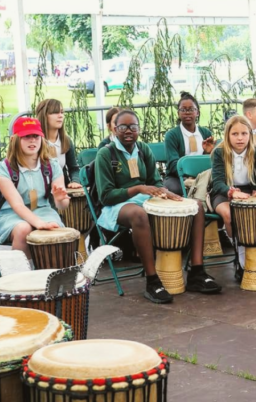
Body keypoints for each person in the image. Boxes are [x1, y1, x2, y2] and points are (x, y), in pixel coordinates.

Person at [95, 109, 222, 304]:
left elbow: (155, 181)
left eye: (133, 126)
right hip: (118, 205)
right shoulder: (106, 154)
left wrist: (165, 192)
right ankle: (152, 280)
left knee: (195, 205)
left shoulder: (143, 149)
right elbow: (105, 196)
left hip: (146, 199)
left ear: (139, 129)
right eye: (123, 127)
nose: (128, 130)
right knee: (138, 215)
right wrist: (137, 188)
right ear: (114, 128)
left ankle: (197, 271)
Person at [0, 117, 69, 263]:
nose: (32, 141)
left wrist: (60, 199)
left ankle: (51, 275)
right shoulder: (5, 168)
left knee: (54, 229)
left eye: (36, 136)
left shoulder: (52, 165)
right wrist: (38, 223)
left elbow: (62, 206)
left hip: (44, 211)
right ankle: (18, 276)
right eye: (26, 136)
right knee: (23, 229)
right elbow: (17, 205)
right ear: (15, 140)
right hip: (12, 214)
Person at [210, 115, 256, 281]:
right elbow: (217, 182)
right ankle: (239, 253)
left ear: (250, 134)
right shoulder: (219, 152)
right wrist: (232, 193)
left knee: (253, 214)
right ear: (227, 135)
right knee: (230, 215)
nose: (240, 138)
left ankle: (250, 254)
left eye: (244, 134)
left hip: (247, 190)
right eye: (235, 134)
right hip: (223, 192)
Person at [163, 92, 215, 195]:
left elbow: (211, 161)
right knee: (175, 188)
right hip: (178, 176)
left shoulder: (206, 133)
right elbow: (173, 164)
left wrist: (207, 152)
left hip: (203, 174)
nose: (187, 112)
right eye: (183, 109)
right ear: (178, 113)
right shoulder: (172, 135)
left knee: (217, 186)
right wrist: (188, 175)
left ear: (198, 112)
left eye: (191, 109)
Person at [34, 99, 81, 189]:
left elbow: (74, 168)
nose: (60, 116)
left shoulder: (66, 141)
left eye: (62, 112)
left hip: (61, 190)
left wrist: (75, 181)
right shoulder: (35, 141)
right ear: (44, 116)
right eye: (55, 112)